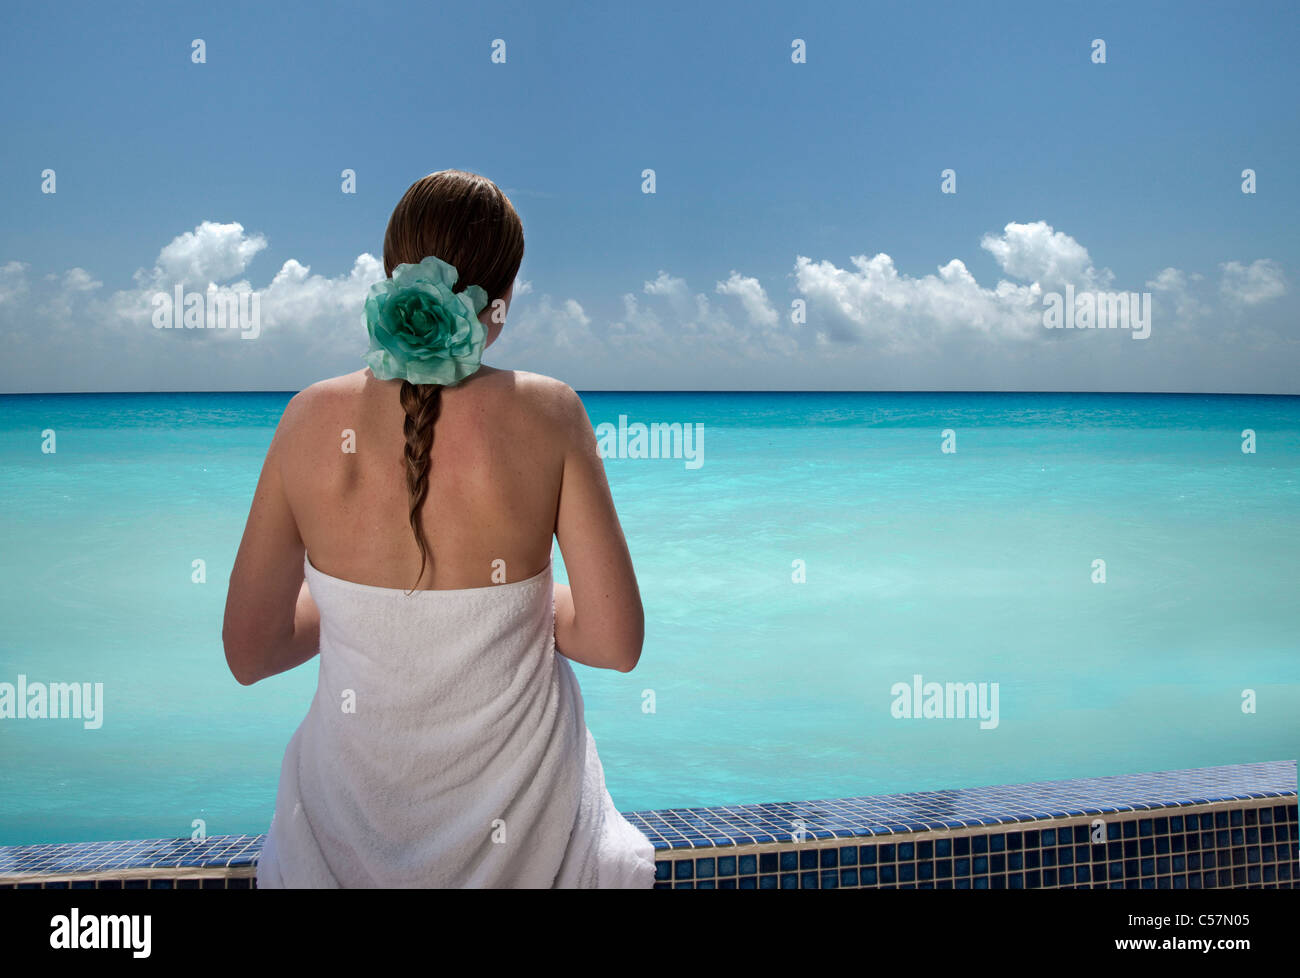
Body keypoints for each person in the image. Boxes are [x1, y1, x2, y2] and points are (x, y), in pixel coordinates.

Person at [222, 169, 655, 888]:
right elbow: (614, 643)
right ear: (503, 299)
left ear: (391, 275)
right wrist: (514, 608)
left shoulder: (308, 420)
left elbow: (250, 652)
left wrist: (357, 608)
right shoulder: (549, 414)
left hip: (338, 848)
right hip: (530, 849)